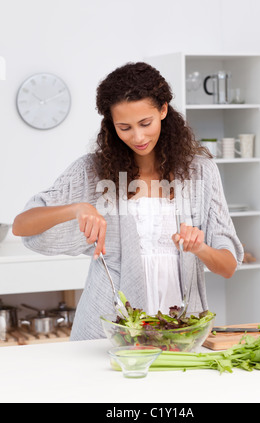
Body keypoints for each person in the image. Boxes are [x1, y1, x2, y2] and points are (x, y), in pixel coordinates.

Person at [12, 62, 244, 341]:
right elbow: (22, 226)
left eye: (145, 123)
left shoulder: (200, 172)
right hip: (106, 332)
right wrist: (78, 208)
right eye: (124, 127)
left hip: (181, 333)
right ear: (111, 124)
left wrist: (200, 248)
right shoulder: (93, 170)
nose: (138, 137)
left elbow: (228, 266)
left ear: (163, 110)